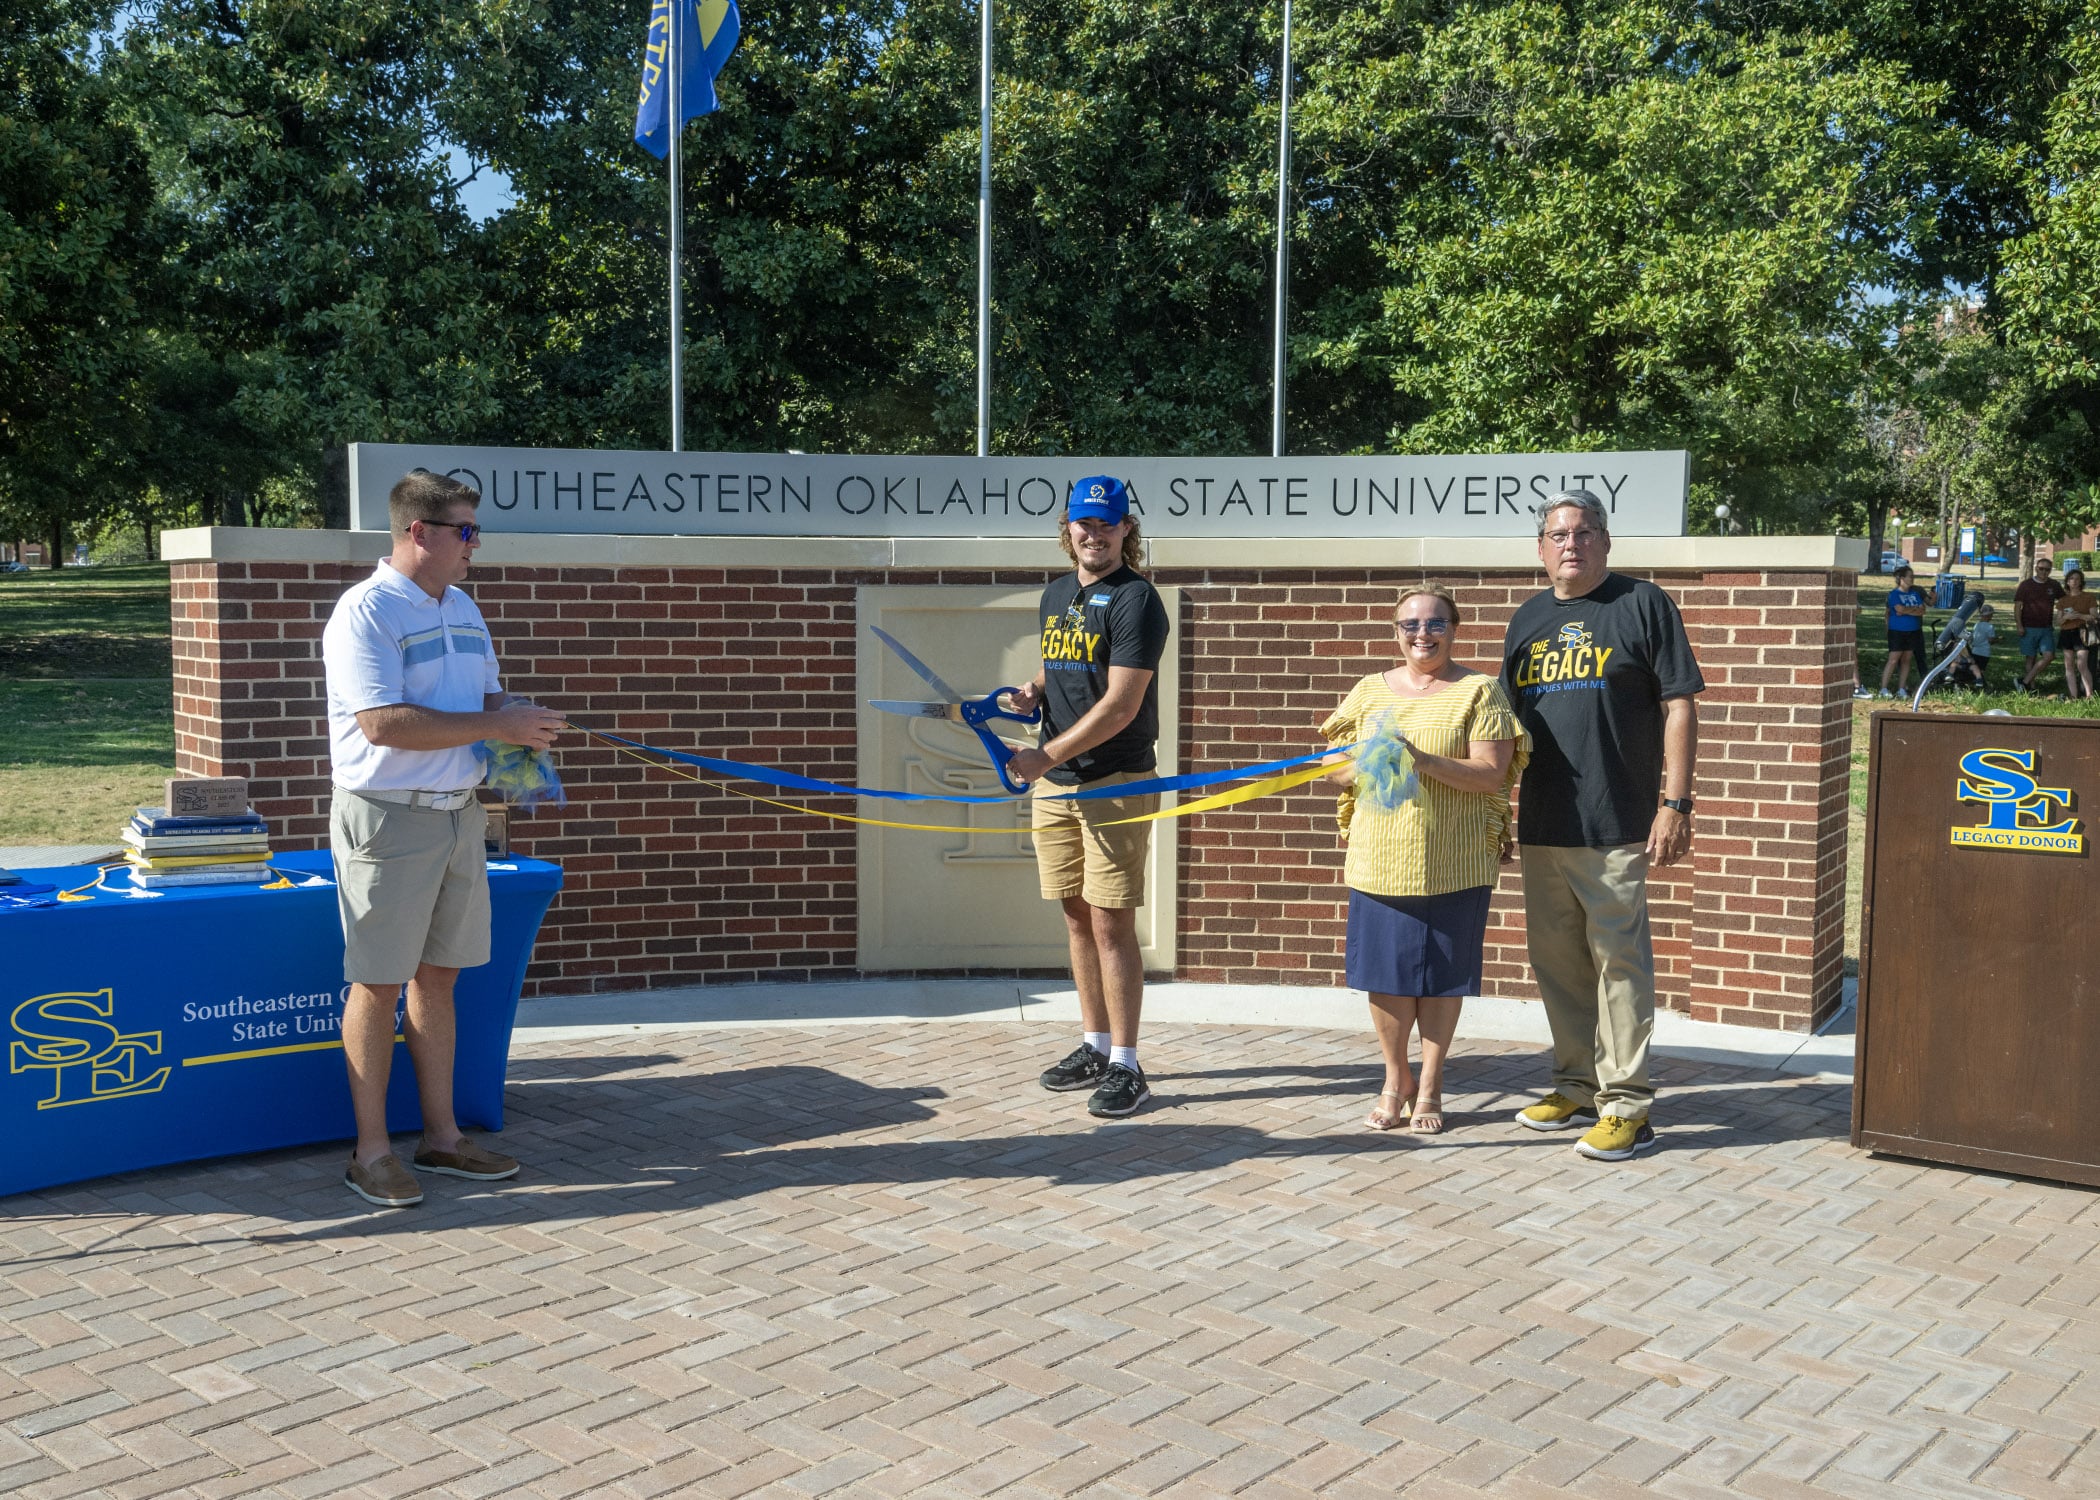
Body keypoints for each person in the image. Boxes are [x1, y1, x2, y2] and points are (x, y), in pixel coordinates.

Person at [322, 470, 565, 1207]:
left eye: (475, 531)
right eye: (465, 530)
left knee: (439, 978)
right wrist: (498, 723)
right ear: (417, 532)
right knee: (378, 982)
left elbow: (486, 700)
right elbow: (382, 723)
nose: (475, 544)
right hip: (387, 816)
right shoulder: (365, 611)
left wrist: (521, 732)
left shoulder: (463, 606)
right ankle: (370, 1155)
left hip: (461, 815)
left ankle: (443, 1140)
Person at [1502, 490, 1705, 1161]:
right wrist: (1497, 809)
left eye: (1585, 532)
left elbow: (1680, 705)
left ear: (1606, 541)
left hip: (1616, 822)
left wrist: (1675, 803)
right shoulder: (1527, 619)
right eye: (1559, 535)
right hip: (1544, 823)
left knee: (1620, 966)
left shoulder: (1642, 604)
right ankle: (1576, 1086)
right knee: (1559, 966)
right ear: (1541, 549)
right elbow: (1505, 729)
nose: (1572, 544)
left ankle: (1627, 1107)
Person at [1320, 585, 1528, 1135]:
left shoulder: (1480, 691)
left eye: (1435, 623)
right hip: (1380, 858)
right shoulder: (1368, 691)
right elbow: (1333, 768)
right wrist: (1366, 763)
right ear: (1396, 632)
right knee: (1385, 975)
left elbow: (1491, 774)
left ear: (1454, 629)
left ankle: (1431, 1082)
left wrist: (1418, 758)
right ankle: (1396, 1079)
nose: (1422, 634)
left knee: (1442, 978)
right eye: (1410, 624)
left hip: (1453, 860)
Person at [1004, 476, 1171, 1118]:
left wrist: (1043, 755)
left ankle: (1128, 1063)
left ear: (1127, 529)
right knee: (1075, 915)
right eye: (1084, 523)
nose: (1094, 534)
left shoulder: (1137, 599)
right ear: (1067, 528)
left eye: (1107, 523)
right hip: (1057, 783)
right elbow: (1065, 660)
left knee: (1110, 920)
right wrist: (1034, 690)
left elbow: (1122, 704)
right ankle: (1095, 1045)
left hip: (1114, 780)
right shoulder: (1056, 593)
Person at [2015, 556, 2065, 694]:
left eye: (2047, 569)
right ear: (2036, 568)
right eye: (2041, 569)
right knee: (2031, 658)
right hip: (2028, 626)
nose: (2044, 572)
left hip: (2046, 627)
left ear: (2050, 571)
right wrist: (2019, 625)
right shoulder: (2026, 585)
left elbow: (2064, 601)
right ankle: (2031, 688)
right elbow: (2018, 606)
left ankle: (2024, 682)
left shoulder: (2054, 585)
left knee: (2049, 656)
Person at [1877, 566, 1926, 698]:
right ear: (1902, 578)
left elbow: (1922, 610)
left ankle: (1901, 689)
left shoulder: (1915, 594)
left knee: (1906, 660)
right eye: (1910, 576)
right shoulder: (1894, 594)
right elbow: (1899, 609)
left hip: (1913, 631)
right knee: (1893, 660)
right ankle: (1883, 688)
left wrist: (1907, 610)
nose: (1912, 579)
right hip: (1897, 631)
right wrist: (1912, 609)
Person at [2056, 569, 2095, 700]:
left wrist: (2080, 616)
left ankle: (2090, 695)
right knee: (2069, 665)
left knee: (2082, 664)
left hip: (2083, 633)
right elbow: (2058, 621)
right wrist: (2066, 617)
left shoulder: (2088, 597)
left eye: (2077, 579)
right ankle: (2073, 696)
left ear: (2081, 582)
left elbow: (2094, 617)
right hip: (2066, 633)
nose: (2074, 581)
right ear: (2067, 582)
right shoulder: (2063, 600)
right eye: (2071, 578)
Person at [1956, 604, 1996, 691]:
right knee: (1981, 669)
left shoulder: (1976, 625)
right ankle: (1979, 684)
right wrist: (1997, 640)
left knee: (1973, 667)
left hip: (1975, 651)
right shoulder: (1990, 627)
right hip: (1984, 652)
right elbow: (1991, 640)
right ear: (1989, 615)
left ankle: (1969, 681)